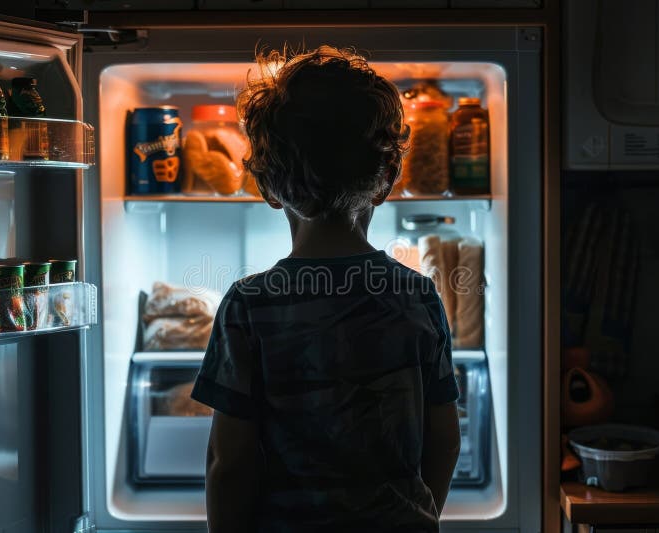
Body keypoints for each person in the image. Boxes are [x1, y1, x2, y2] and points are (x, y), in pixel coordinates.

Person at [191, 45, 461, 533]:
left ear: (269, 189)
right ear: (385, 181)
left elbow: (228, 462)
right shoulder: (419, 296)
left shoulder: (248, 306)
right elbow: (444, 438)